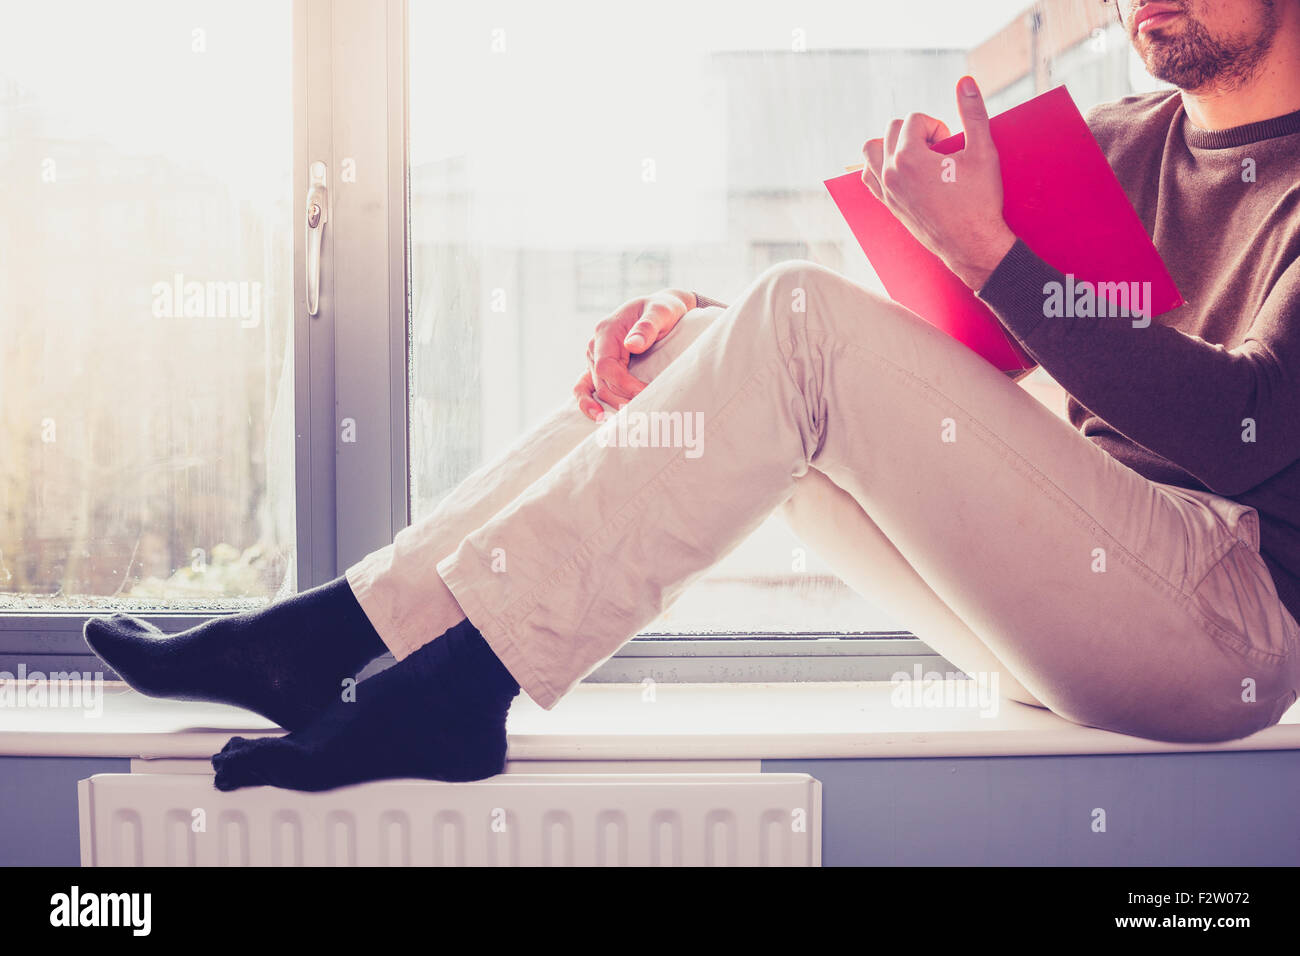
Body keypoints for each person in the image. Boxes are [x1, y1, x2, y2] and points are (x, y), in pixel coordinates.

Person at [86, 0, 1300, 792]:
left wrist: (989, 252)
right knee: (713, 342)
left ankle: (450, 681)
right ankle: (343, 632)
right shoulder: (1119, 140)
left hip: (1223, 631)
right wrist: (706, 341)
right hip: (1068, 617)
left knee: (792, 322)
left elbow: (1247, 431)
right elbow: (966, 379)